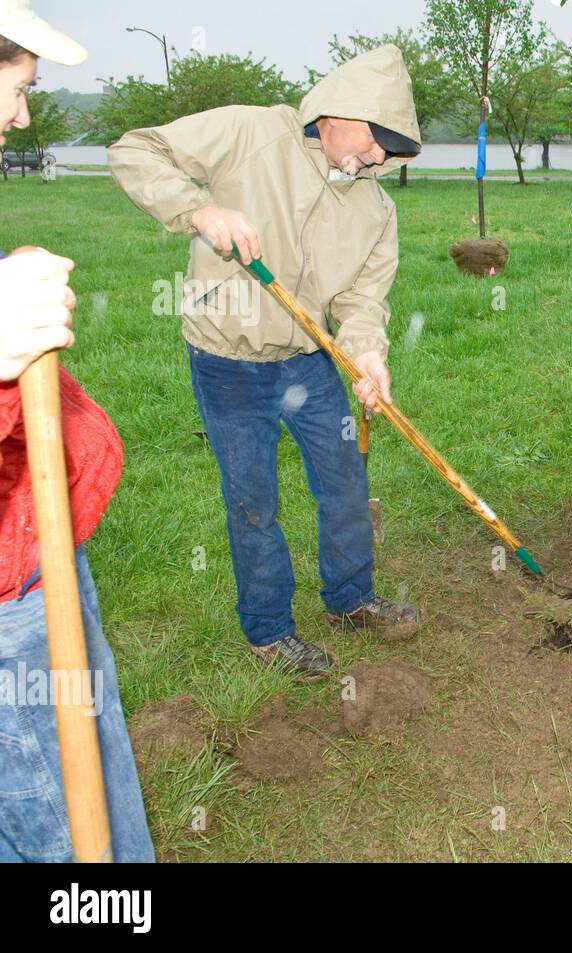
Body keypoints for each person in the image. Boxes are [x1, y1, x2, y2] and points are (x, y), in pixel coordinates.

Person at [108, 45, 425, 678]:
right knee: (253, 500)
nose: (379, 161)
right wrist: (199, 208)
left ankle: (350, 598)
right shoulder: (251, 131)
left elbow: (362, 299)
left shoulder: (375, 208)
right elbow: (134, 149)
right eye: (376, 142)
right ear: (339, 113)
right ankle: (270, 630)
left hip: (309, 362)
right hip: (227, 360)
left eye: (392, 151)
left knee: (344, 482)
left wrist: (367, 353)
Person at [0, 0, 153, 862]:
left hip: (33, 546)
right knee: (68, 832)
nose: (22, 115)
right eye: (18, 87)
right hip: (11, 593)